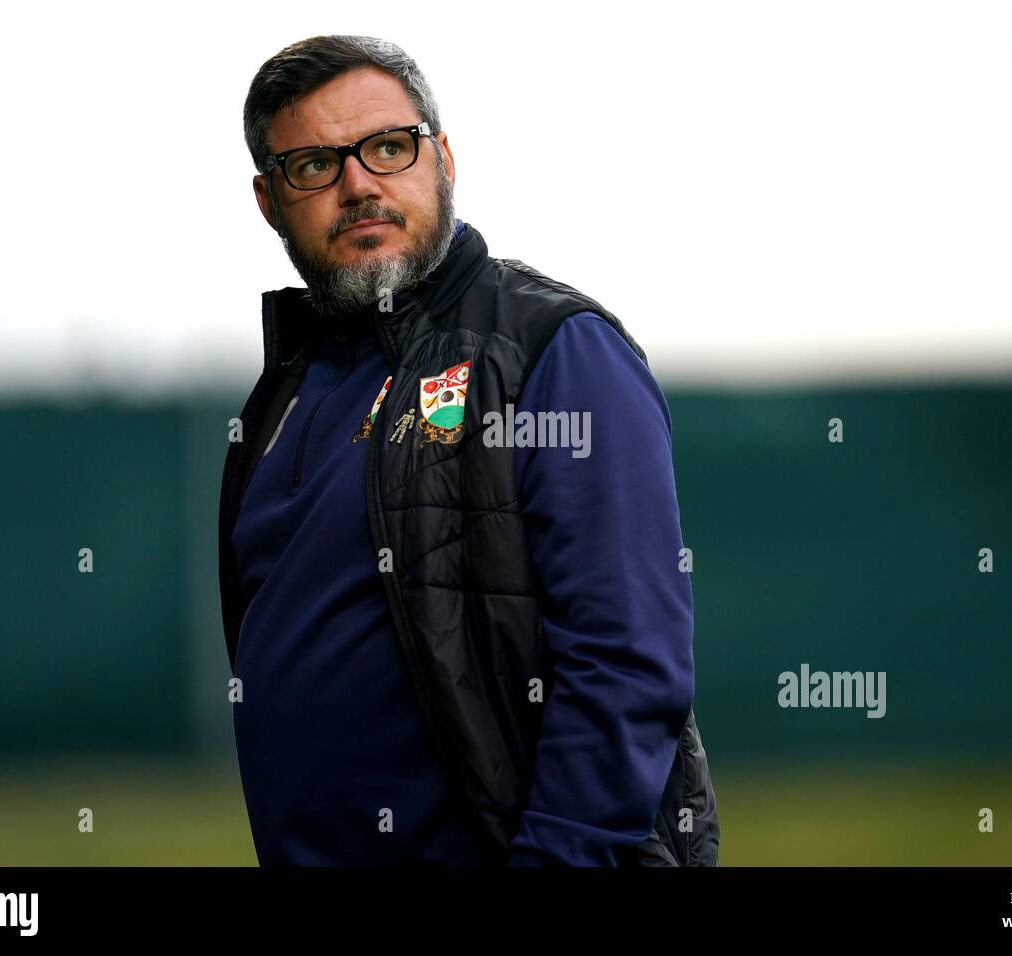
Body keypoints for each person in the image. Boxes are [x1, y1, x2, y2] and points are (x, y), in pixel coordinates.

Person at [218, 34, 719, 866]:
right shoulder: (280, 394)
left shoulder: (552, 346)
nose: (359, 185)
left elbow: (627, 663)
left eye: (388, 147)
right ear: (270, 201)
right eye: (314, 165)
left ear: (442, 159)